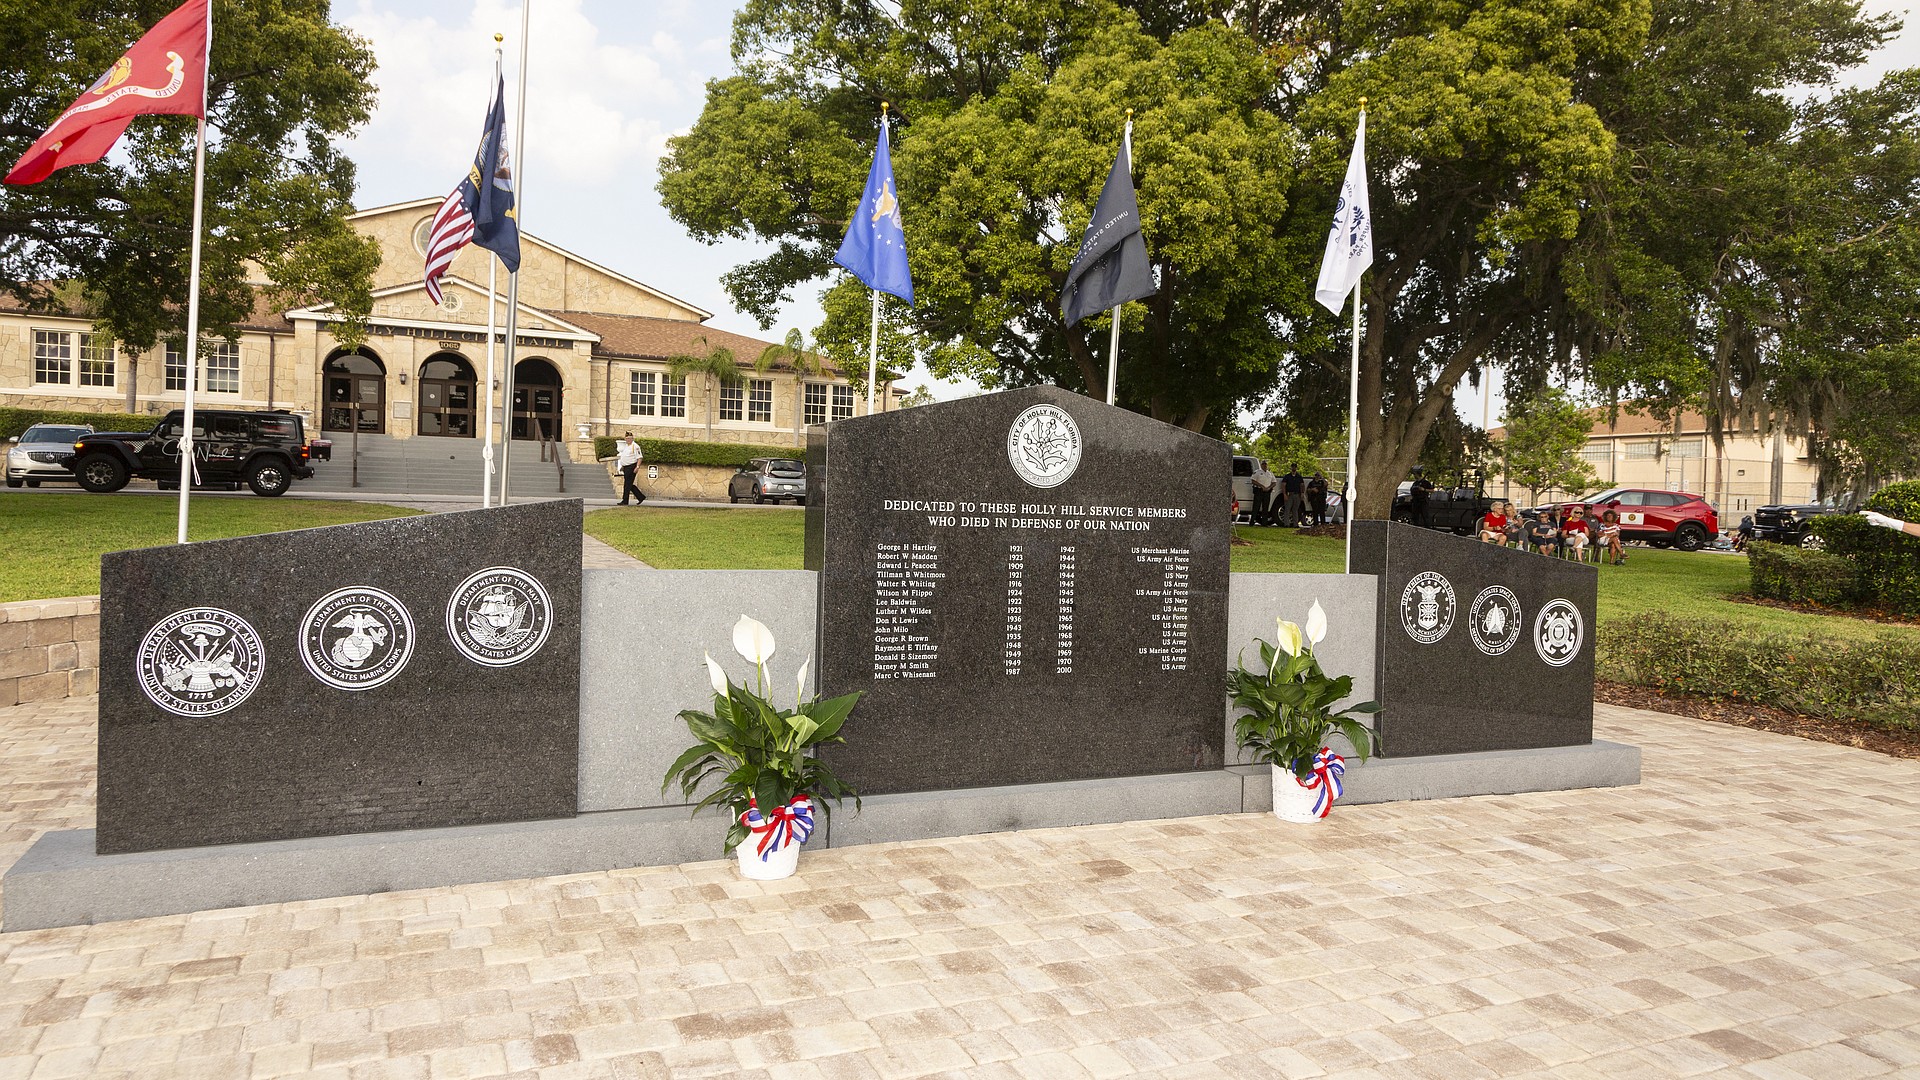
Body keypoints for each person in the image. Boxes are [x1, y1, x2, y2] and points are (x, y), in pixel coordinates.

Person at [615, 432, 646, 505]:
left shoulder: (635, 446)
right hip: (626, 467)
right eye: (627, 438)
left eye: (629, 438)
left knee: (627, 484)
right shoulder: (626, 446)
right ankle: (640, 497)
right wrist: (623, 466)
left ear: (632, 439)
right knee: (629, 484)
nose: (628, 440)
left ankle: (625, 501)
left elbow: (639, 458)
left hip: (631, 467)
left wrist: (637, 467)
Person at [1250, 461, 1277, 526]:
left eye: (1266, 464)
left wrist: (1269, 487)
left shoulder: (1270, 473)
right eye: (1263, 464)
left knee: (1265, 507)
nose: (1265, 465)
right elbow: (1253, 480)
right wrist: (1262, 486)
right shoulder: (1257, 472)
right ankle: (1252, 522)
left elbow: (1274, 482)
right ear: (1261, 465)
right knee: (1256, 507)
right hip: (1259, 490)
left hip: (1267, 491)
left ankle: (1264, 523)